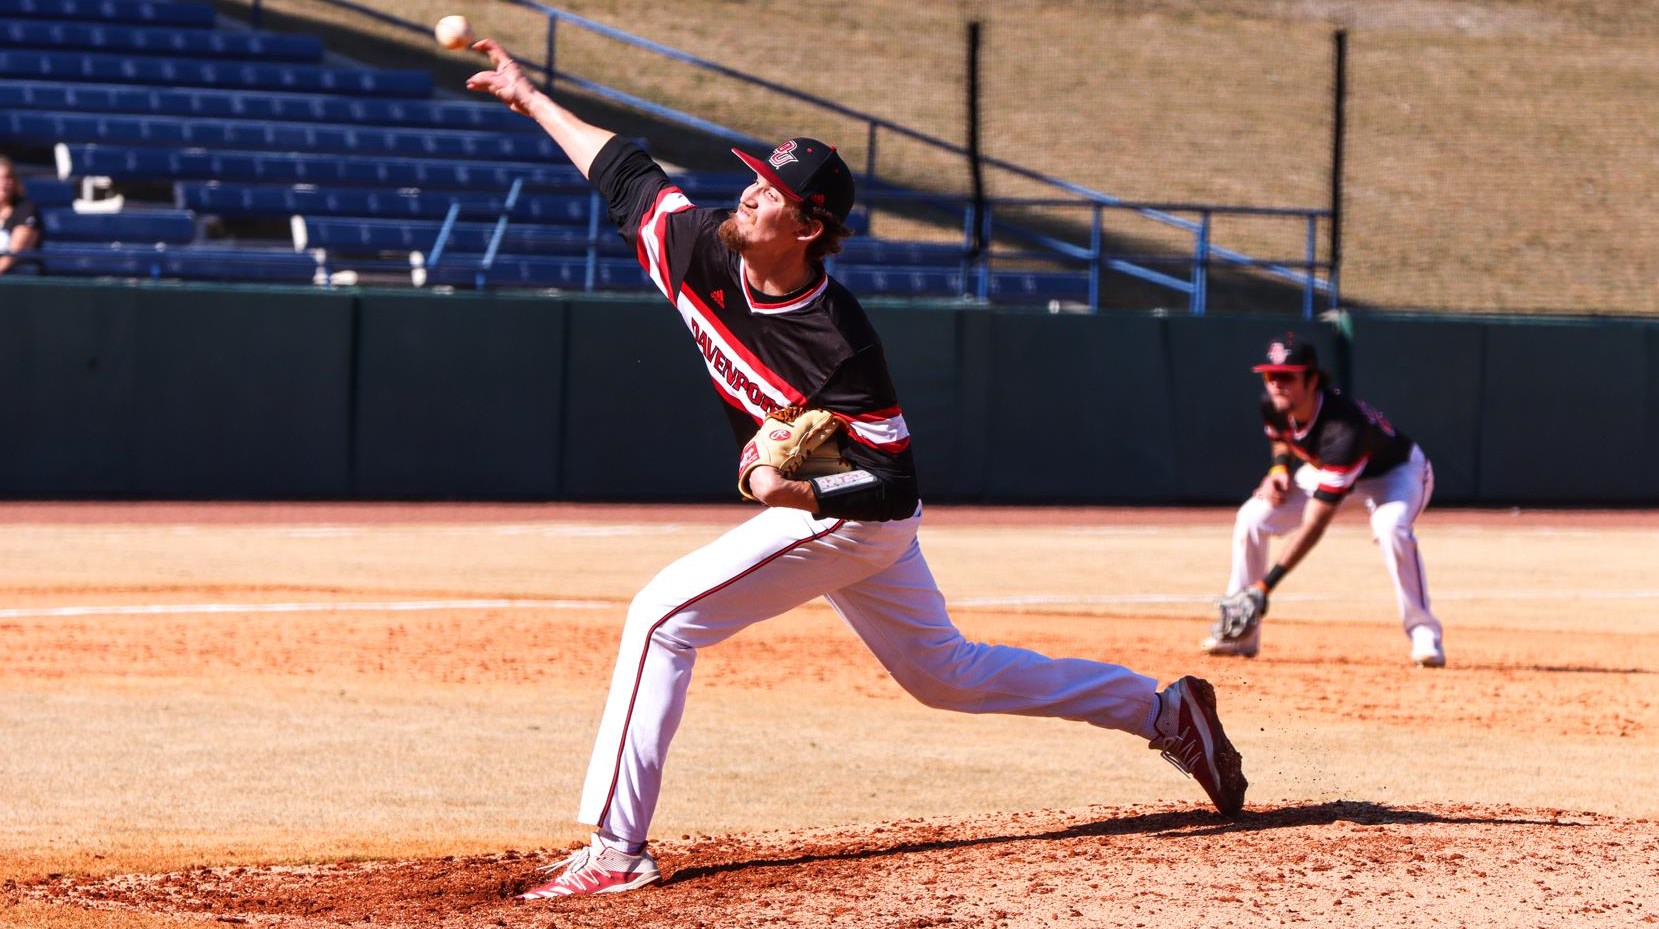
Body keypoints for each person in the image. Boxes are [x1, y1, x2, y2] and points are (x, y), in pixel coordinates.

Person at [464, 38, 1248, 898]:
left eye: (772, 191)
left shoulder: (839, 340)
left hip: (848, 509)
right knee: (945, 673)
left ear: (806, 228)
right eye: (754, 176)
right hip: (840, 514)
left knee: (660, 618)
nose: (750, 190)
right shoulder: (695, 248)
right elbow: (621, 170)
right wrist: (530, 98)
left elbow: (894, 482)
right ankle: (1164, 710)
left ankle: (616, 849)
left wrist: (790, 490)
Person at [1204, 335, 1446, 667]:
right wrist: (1278, 469)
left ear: (1313, 379)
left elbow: (1315, 524)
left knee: (1390, 528)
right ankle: (1240, 633)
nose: (1276, 384)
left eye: (1287, 376)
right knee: (1252, 517)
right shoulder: (1274, 404)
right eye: (1270, 375)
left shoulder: (1343, 429)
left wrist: (1266, 586)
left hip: (1395, 474)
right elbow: (1281, 441)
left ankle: (1424, 633)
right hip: (1331, 470)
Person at [0, 156, 42, 276]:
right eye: (0, 178)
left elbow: (13, 255)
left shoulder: (25, 209)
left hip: (16, 279)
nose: (4, 184)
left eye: (8, 178)